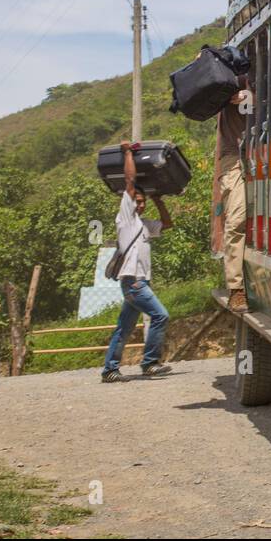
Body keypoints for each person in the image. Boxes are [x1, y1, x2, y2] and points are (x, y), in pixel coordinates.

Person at [102, 141, 174, 383]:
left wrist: (158, 200)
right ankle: (150, 363)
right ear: (130, 202)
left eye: (143, 202)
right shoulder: (126, 219)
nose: (140, 204)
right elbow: (130, 182)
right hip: (134, 282)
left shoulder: (144, 226)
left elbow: (167, 225)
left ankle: (110, 370)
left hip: (141, 282)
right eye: (138, 201)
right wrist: (127, 153)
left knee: (123, 328)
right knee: (161, 316)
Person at [216, 81, 250, 311]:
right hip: (234, 158)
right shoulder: (223, 80)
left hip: (268, 150)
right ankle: (236, 289)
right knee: (236, 220)